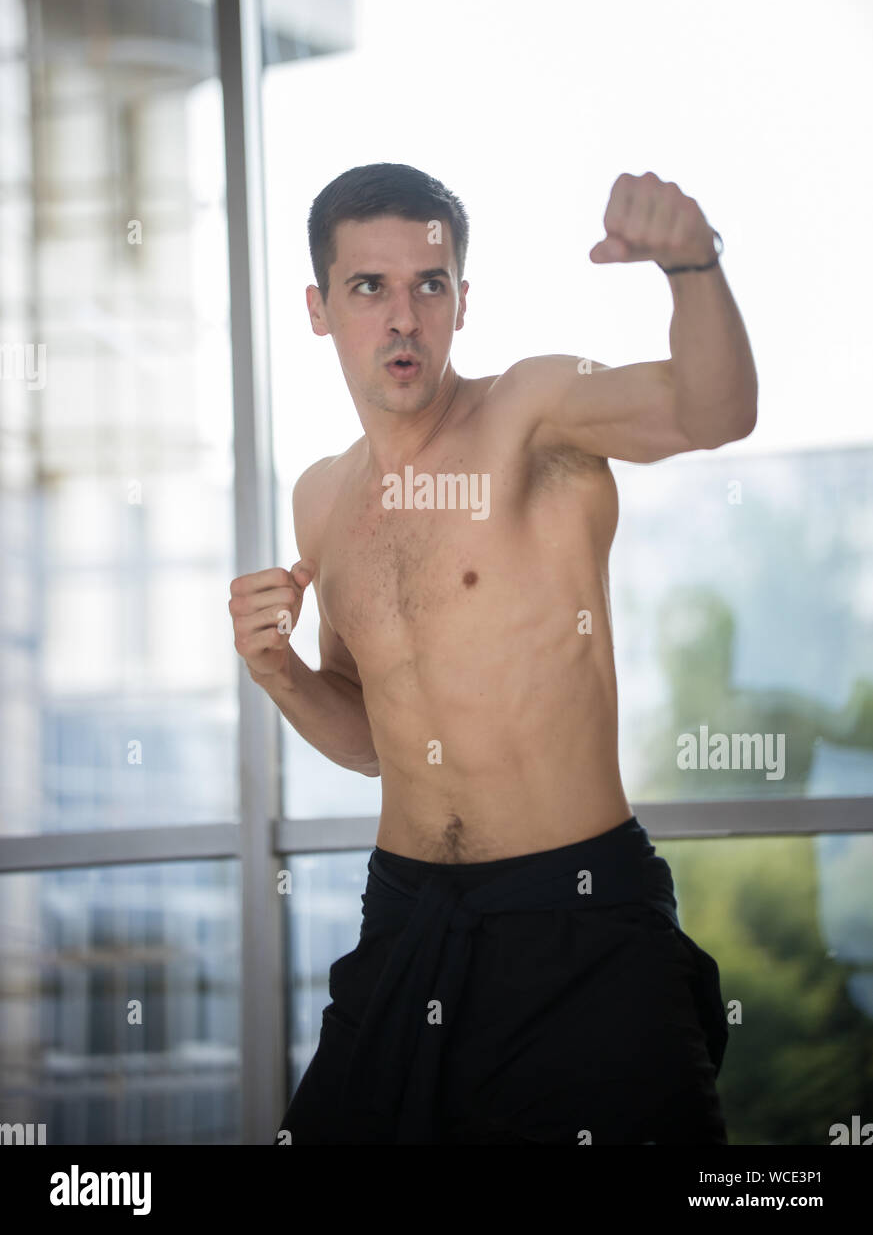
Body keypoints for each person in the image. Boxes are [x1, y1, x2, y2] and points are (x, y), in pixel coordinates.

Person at [228, 162, 758, 1144]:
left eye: (430, 284)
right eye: (369, 287)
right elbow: (375, 739)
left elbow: (712, 412)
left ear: (463, 300)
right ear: (318, 308)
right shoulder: (323, 499)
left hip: (580, 923)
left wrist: (690, 263)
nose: (403, 316)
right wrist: (280, 671)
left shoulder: (535, 413)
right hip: (406, 921)